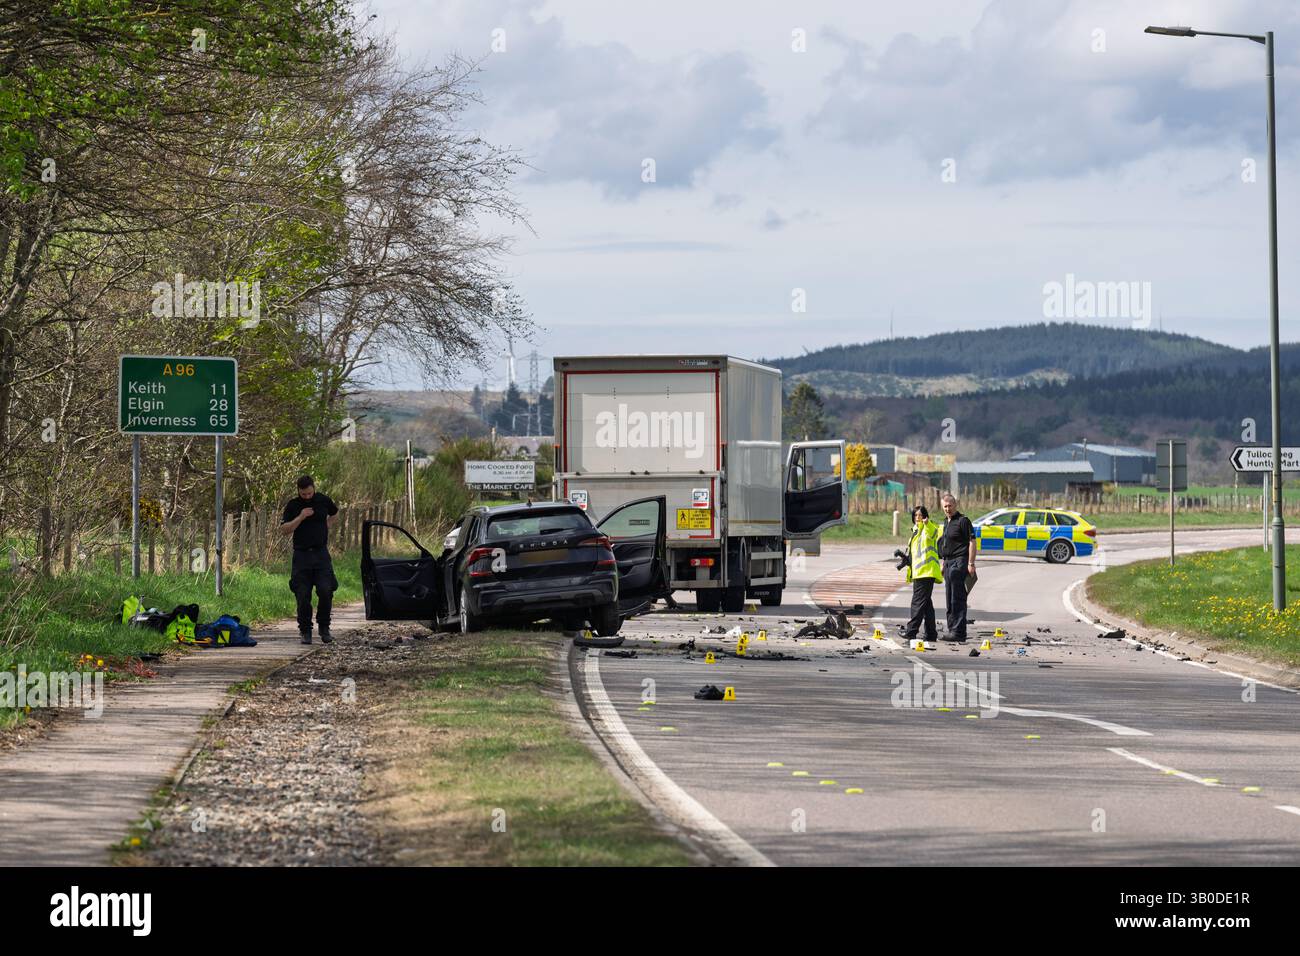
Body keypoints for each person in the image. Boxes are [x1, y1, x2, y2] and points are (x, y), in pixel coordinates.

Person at [279, 475, 340, 644]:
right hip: (302, 556)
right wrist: (300, 517)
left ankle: (324, 628)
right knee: (302, 594)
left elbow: (335, 513)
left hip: (321, 555)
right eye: (303, 494)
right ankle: (305, 631)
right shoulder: (293, 505)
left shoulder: (323, 500)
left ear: (314, 488)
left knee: (326, 590)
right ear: (298, 490)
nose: (307, 496)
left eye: (309, 493)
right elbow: (284, 529)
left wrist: (327, 525)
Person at [901, 505, 942, 644]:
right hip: (918, 572)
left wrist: (927, 523)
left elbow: (933, 534)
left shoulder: (929, 528)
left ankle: (911, 632)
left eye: (920, 515)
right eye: (915, 515)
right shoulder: (915, 531)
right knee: (926, 605)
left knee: (917, 603)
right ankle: (931, 633)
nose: (917, 518)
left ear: (925, 516)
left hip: (926, 571)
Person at [939, 492, 976, 643]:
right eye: (945, 506)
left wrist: (971, 563)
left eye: (950, 506)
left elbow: (972, 542)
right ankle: (951, 629)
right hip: (948, 562)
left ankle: (959, 632)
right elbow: (947, 544)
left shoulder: (963, 521)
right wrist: (943, 562)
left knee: (958, 599)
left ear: (955, 505)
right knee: (949, 598)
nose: (947, 509)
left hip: (960, 562)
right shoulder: (946, 521)